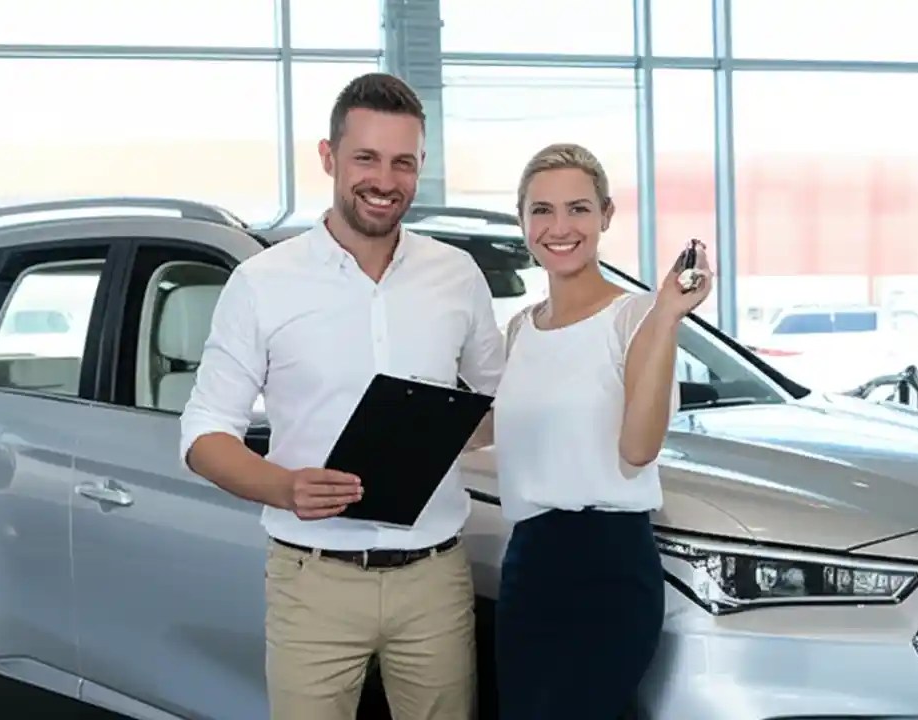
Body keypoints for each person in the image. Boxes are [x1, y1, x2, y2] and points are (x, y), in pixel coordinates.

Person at [178, 72, 505, 720]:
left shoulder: (456, 277)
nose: (384, 180)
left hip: (435, 578)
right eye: (366, 158)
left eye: (402, 162)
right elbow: (203, 433)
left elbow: (498, 404)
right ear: (329, 158)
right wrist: (283, 486)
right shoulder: (261, 282)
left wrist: (455, 428)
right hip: (313, 580)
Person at [491, 143, 713, 719]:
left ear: (606, 216)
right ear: (522, 221)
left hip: (608, 566)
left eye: (578, 209)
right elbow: (491, 431)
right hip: (528, 562)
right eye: (541, 210)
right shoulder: (519, 330)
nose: (559, 227)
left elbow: (638, 450)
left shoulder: (638, 316)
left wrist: (668, 315)